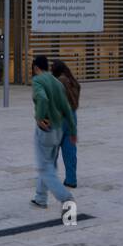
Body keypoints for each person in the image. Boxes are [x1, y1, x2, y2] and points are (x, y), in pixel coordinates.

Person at [30, 55, 75, 211]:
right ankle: (40, 198)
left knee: (44, 167)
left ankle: (66, 198)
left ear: (36, 68)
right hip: (58, 130)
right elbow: (66, 108)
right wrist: (73, 131)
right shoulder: (57, 82)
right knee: (49, 164)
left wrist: (39, 117)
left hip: (45, 130)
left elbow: (42, 98)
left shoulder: (37, 80)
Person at [51, 60, 81, 188]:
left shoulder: (59, 81)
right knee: (70, 151)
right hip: (72, 117)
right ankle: (71, 179)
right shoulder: (72, 80)